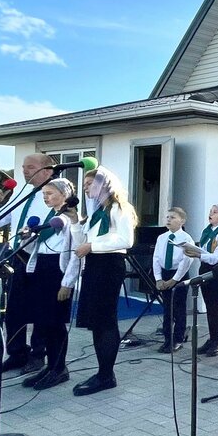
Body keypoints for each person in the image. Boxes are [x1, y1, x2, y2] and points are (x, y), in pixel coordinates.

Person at [0, 153, 54, 376]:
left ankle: (37, 355)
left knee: (41, 309)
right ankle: (16, 353)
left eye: (30, 167)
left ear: (47, 170)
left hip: (41, 258)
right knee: (12, 309)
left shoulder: (53, 195)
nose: (24, 171)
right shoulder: (21, 194)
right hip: (16, 257)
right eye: (23, 167)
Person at [72, 167, 138, 396]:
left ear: (104, 184)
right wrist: (75, 223)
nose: (86, 188)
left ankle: (106, 374)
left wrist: (92, 246)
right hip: (94, 264)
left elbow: (126, 240)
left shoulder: (119, 208)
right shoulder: (96, 211)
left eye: (90, 184)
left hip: (109, 264)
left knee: (106, 319)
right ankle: (102, 371)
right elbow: (85, 239)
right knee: (97, 321)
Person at [19, 177, 81, 390]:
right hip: (42, 269)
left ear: (64, 195)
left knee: (55, 322)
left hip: (58, 271)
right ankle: (50, 366)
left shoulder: (70, 218)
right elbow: (34, 248)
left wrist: (68, 283)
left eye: (50, 193)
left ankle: (59, 368)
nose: (46, 197)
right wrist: (27, 237)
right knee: (44, 321)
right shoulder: (50, 216)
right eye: (44, 194)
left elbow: (75, 253)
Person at [183, 203, 218, 357]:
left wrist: (198, 255)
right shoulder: (208, 231)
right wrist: (196, 251)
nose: (210, 214)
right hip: (205, 268)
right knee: (210, 306)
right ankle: (212, 338)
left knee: (217, 307)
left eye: (215, 212)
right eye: (210, 211)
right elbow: (206, 250)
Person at [152, 207, 194, 353]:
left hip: (179, 275)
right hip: (165, 273)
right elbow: (156, 258)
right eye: (168, 217)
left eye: (173, 217)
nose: (169, 220)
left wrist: (174, 280)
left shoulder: (186, 238)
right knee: (167, 309)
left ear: (182, 221)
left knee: (178, 308)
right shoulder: (162, 237)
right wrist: (158, 278)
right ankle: (167, 339)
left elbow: (186, 261)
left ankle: (178, 339)